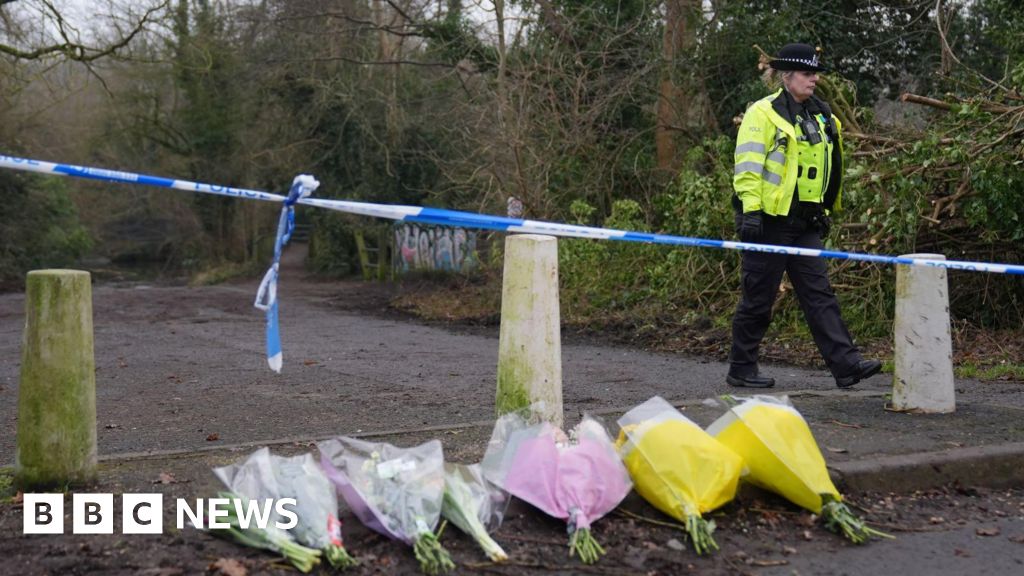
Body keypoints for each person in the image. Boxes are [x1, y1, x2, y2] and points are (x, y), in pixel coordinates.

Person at [726, 43, 881, 389]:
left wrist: (825, 209)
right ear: (787, 76)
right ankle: (741, 367)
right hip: (767, 220)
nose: (815, 79)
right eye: (808, 73)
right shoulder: (763, 113)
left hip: (805, 223)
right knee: (759, 297)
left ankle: (846, 365)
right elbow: (747, 167)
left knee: (819, 293)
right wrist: (750, 211)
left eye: (816, 73)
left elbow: (828, 166)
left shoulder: (822, 115)